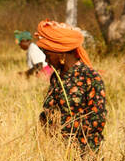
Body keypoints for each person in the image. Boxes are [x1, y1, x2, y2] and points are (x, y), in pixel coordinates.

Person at [36, 20, 107, 152]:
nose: (46, 60)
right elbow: (48, 110)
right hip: (59, 152)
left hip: (85, 154)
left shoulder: (90, 77)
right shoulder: (56, 77)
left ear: (61, 53)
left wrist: (63, 127)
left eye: (48, 55)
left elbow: (98, 121)